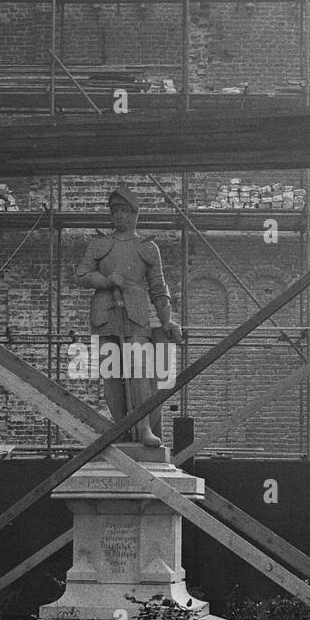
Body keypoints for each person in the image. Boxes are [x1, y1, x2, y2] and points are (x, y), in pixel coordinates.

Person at [74, 184, 182, 447]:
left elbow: (158, 287)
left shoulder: (147, 248)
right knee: (111, 373)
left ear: (134, 214)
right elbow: (82, 274)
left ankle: (143, 426)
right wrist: (106, 280)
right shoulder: (100, 243)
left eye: (124, 210)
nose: (119, 216)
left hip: (136, 314)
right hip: (104, 314)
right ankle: (120, 426)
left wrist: (167, 320)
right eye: (115, 211)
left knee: (139, 369)